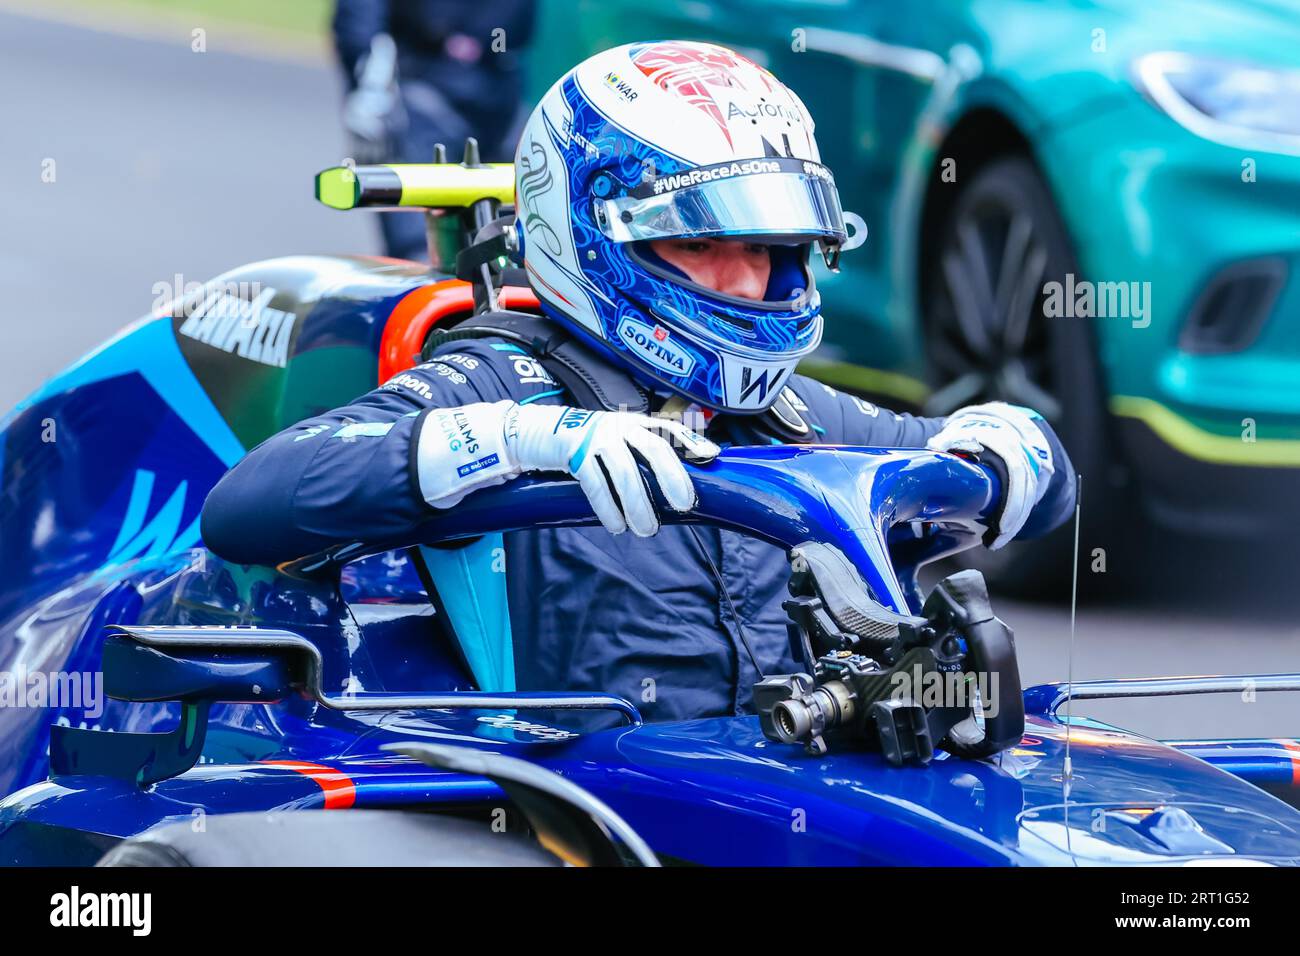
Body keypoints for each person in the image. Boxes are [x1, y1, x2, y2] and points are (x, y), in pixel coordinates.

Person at [203, 41, 1075, 721]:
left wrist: (1013, 450)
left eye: (770, 250)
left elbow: (1047, 489)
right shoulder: (498, 383)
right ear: (592, 233)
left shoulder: (793, 411)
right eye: (701, 242)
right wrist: (523, 441)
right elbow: (247, 504)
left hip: (794, 789)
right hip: (589, 810)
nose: (743, 282)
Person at [332, 0, 535, 260]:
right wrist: (369, 79)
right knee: (424, 251)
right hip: (426, 92)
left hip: (491, 96)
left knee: (506, 250)